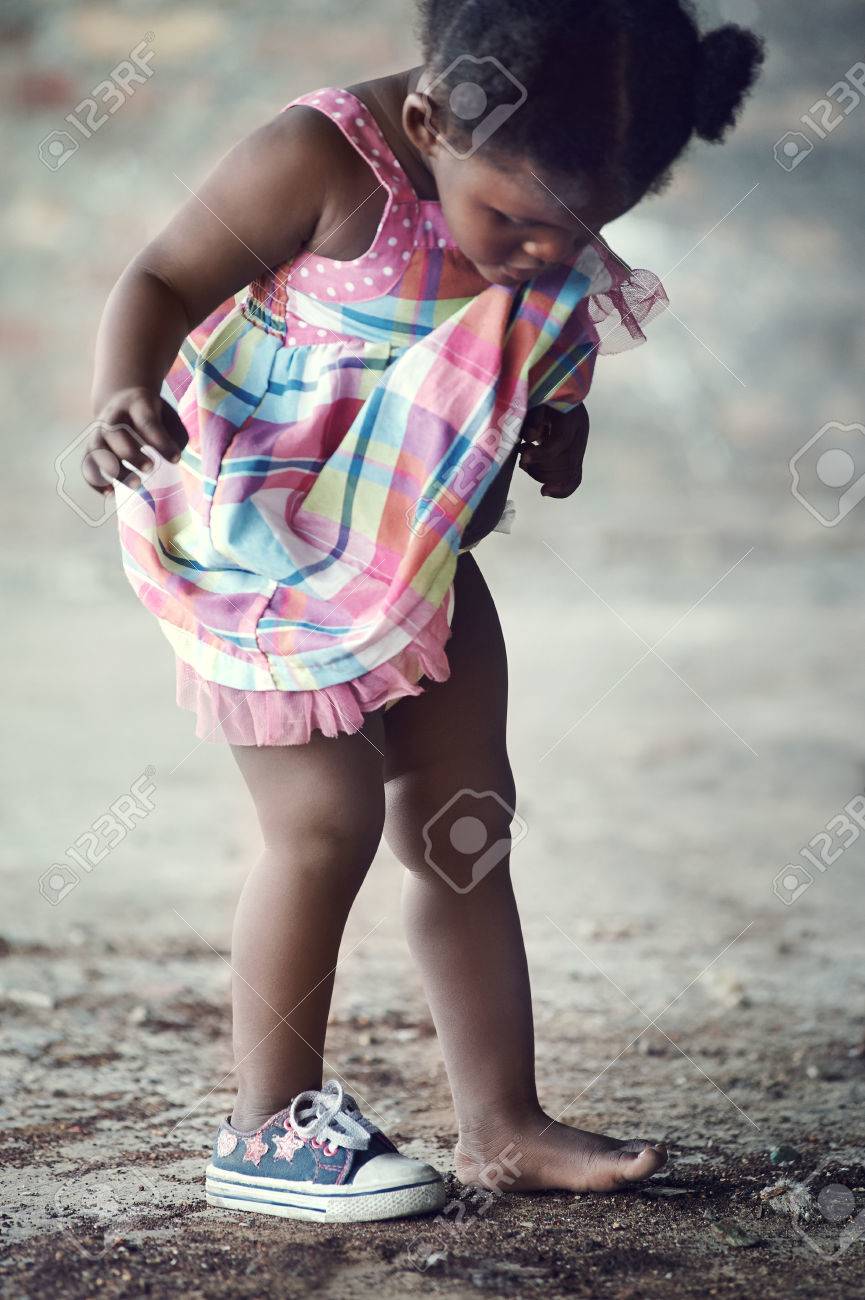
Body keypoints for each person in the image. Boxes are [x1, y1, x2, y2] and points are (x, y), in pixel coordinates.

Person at [86, 0, 764, 1223]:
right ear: (426, 121)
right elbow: (164, 274)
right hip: (266, 551)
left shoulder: (529, 206)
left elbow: (510, 354)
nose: (540, 258)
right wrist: (120, 389)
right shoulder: (323, 160)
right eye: (512, 220)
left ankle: (502, 1124)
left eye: (581, 234)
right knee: (323, 823)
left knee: (467, 825)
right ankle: (266, 1126)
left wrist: (555, 425)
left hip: (416, 552)